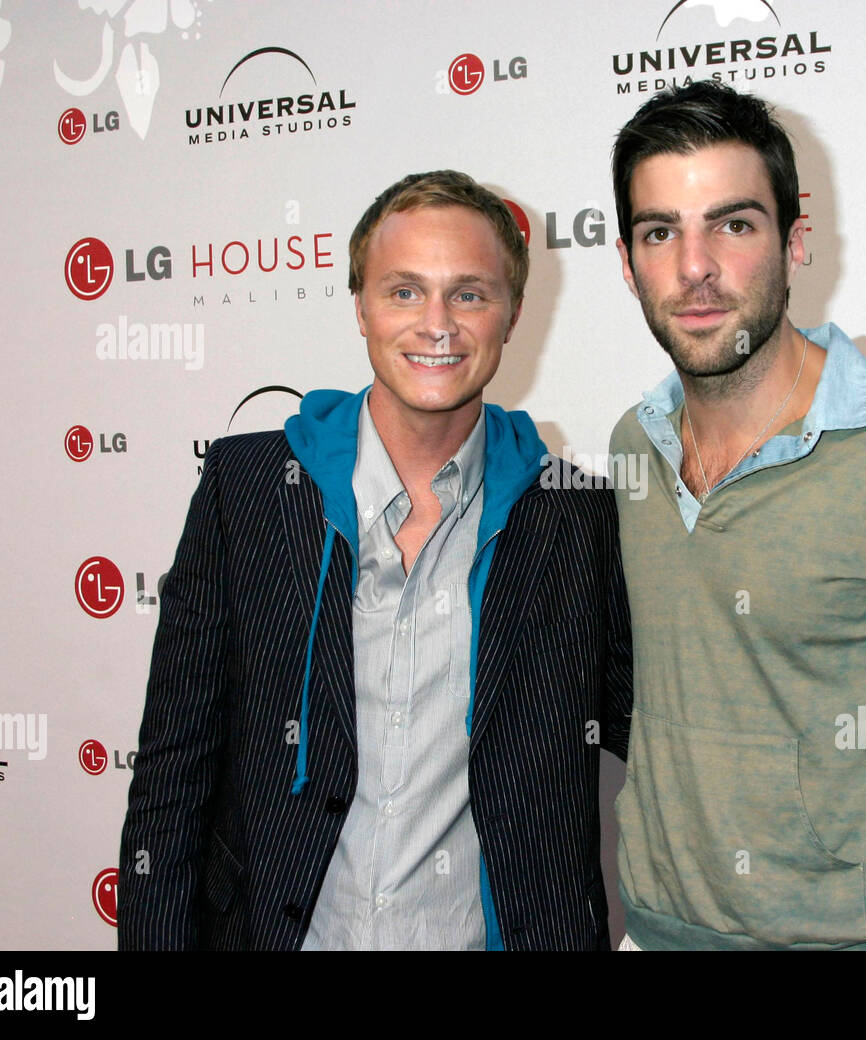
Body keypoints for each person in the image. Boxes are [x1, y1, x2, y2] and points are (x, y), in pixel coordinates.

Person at [118, 170, 632, 951]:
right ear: (359, 305)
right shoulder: (249, 488)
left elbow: (671, 730)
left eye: (468, 294)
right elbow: (173, 772)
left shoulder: (575, 517)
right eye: (403, 292)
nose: (437, 325)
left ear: (512, 314)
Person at [608, 82, 866, 950]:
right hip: (653, 934)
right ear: (626, 262)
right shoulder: (631, 447)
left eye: (733, 225)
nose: (695, 267)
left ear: (795, 240)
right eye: (661, 232)